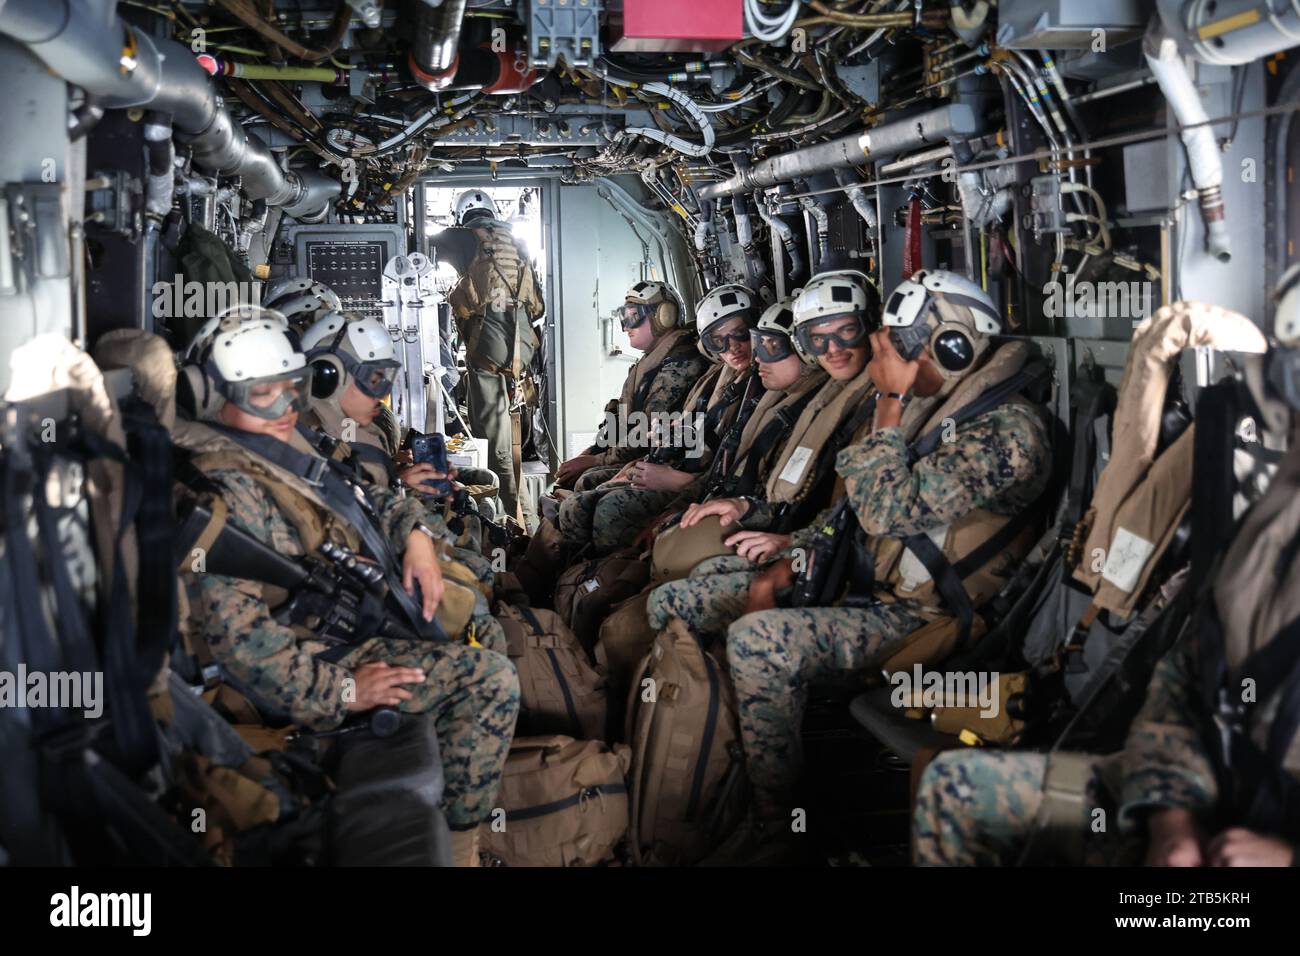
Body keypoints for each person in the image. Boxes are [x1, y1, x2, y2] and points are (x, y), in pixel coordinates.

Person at [652, 270, 1053, 856]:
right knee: (699, 587)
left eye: (903, 349)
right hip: (876, 589)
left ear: (954, 346)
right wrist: (792, 552)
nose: (890, 363)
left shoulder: (1007, 431)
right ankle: (710, 755)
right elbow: (853, 516)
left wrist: (889, 402)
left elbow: (885, 509)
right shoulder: (948, 408)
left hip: (930, 618)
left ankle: (776, 820)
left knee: (760, 644)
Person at [913, 267, 1300, 868]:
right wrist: (1170, 813)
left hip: (1256, 827)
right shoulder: (1268, 527)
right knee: (949, 785)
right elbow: (1189, 679)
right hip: (1200, 786)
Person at [175, 315, 519, 867]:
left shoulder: (285, 448)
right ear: (213, 396)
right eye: (263, 394)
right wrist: (343, 692)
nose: (284, 407)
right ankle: (460, 852)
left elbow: (367, 498)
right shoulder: (223, 492)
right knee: (489, 682)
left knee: (472, 625)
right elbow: (242, 649)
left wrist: (415, 535)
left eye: (293, 388)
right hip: (307, 664)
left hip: (337, 628)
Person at [297, 310, 501, 597]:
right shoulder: (308, 445)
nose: (380, 395)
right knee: (474, 584)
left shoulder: (354, 430)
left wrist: (403, 482)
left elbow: (365, 496)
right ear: (328, 376)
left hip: (383, 543)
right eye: (373, 379)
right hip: (355, 577)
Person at [557, 283, 760, 554]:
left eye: (633, 316)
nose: (732, 348)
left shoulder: (687, 366)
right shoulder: (710, 377)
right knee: (583, 494)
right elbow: (633, 421)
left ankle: (605, 579)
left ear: (663, 315)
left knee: (603, 506)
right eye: (718, 341)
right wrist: (619, 459)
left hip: (694, 479)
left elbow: (728, 463)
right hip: (679, 465)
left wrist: (602, 460)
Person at [430, 190, 546, 525]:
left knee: (496, 452)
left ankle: (511, 528)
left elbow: (417, 247)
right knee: (511, 446)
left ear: (460, 215)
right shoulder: (518, 243)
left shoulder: (460, 238)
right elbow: (538, 306)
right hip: (521, 358)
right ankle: (523, 519)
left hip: (488, 359)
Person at [554, 280, 707, 490]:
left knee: (585, 482)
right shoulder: (650, 362)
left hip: (665, 462)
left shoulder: (681, 365)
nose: (626, 326)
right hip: (637, 454)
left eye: (634, 317)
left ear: (664, 316)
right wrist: (593, 451)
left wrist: (596, 461)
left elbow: (645, 431)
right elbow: (622, 418)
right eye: (624, 317)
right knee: (572, 480)